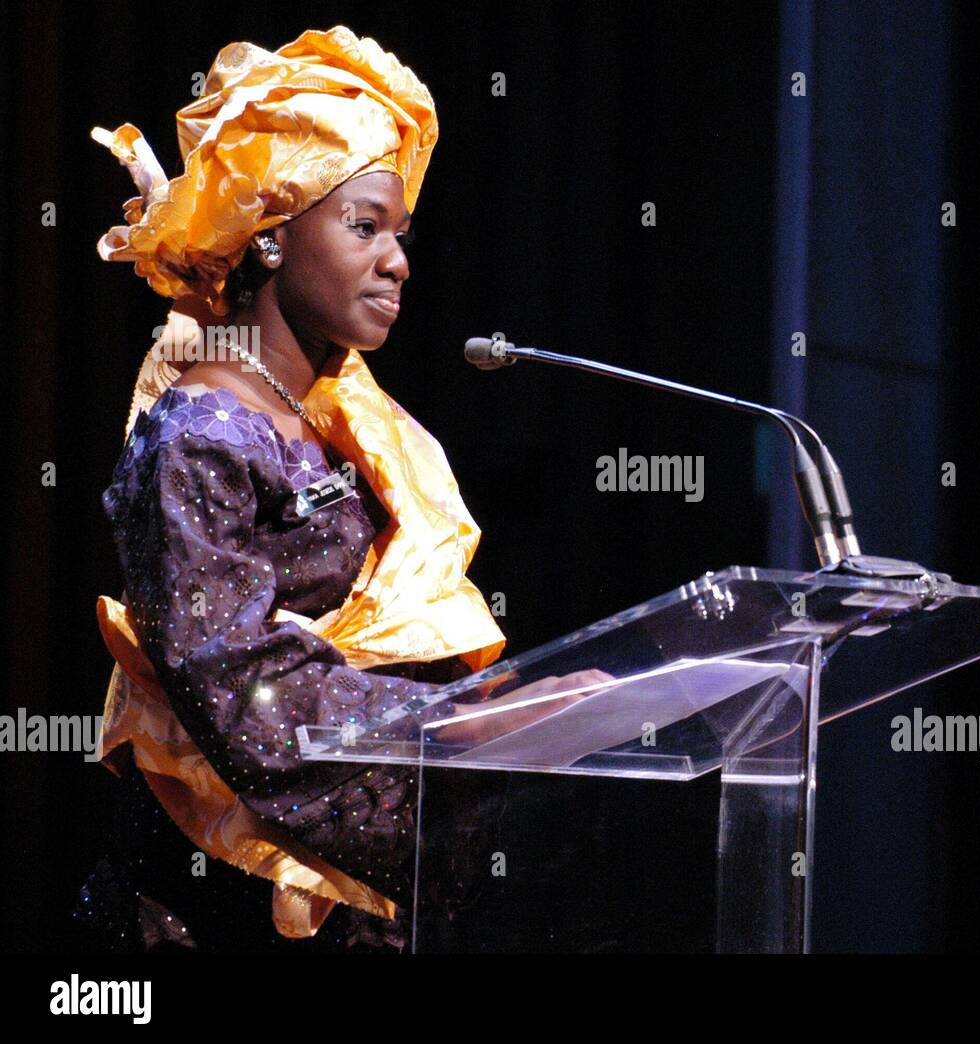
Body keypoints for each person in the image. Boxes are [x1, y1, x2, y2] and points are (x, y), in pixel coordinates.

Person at [79, 26, 608, 953]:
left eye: (401, 236)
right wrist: (460, 730)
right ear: (273, 238)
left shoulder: (339, 422)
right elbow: (243, 697)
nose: (398, 260)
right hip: (215, 916)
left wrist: (508, 709)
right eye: (364, 227)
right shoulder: (199, 433)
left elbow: (381, 648)